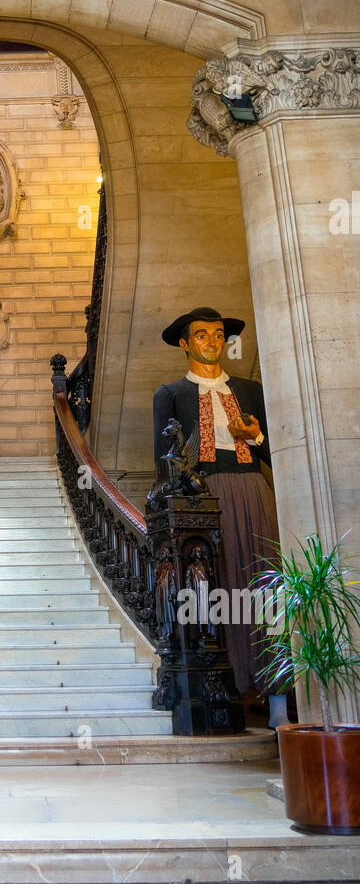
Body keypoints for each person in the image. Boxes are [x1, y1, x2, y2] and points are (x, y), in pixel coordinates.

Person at [152, 307, 288, 726]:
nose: (212, 342)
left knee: (266, 586)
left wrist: (257, 436)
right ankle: (225, 689)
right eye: (202, 335)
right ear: (185, 343)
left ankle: (279, 702)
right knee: (219, 588)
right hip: (204, 498)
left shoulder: (250, 391)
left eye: (218, 335)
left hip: (252, 488)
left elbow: (277, 454)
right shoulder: (170, 394)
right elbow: (165, 465)